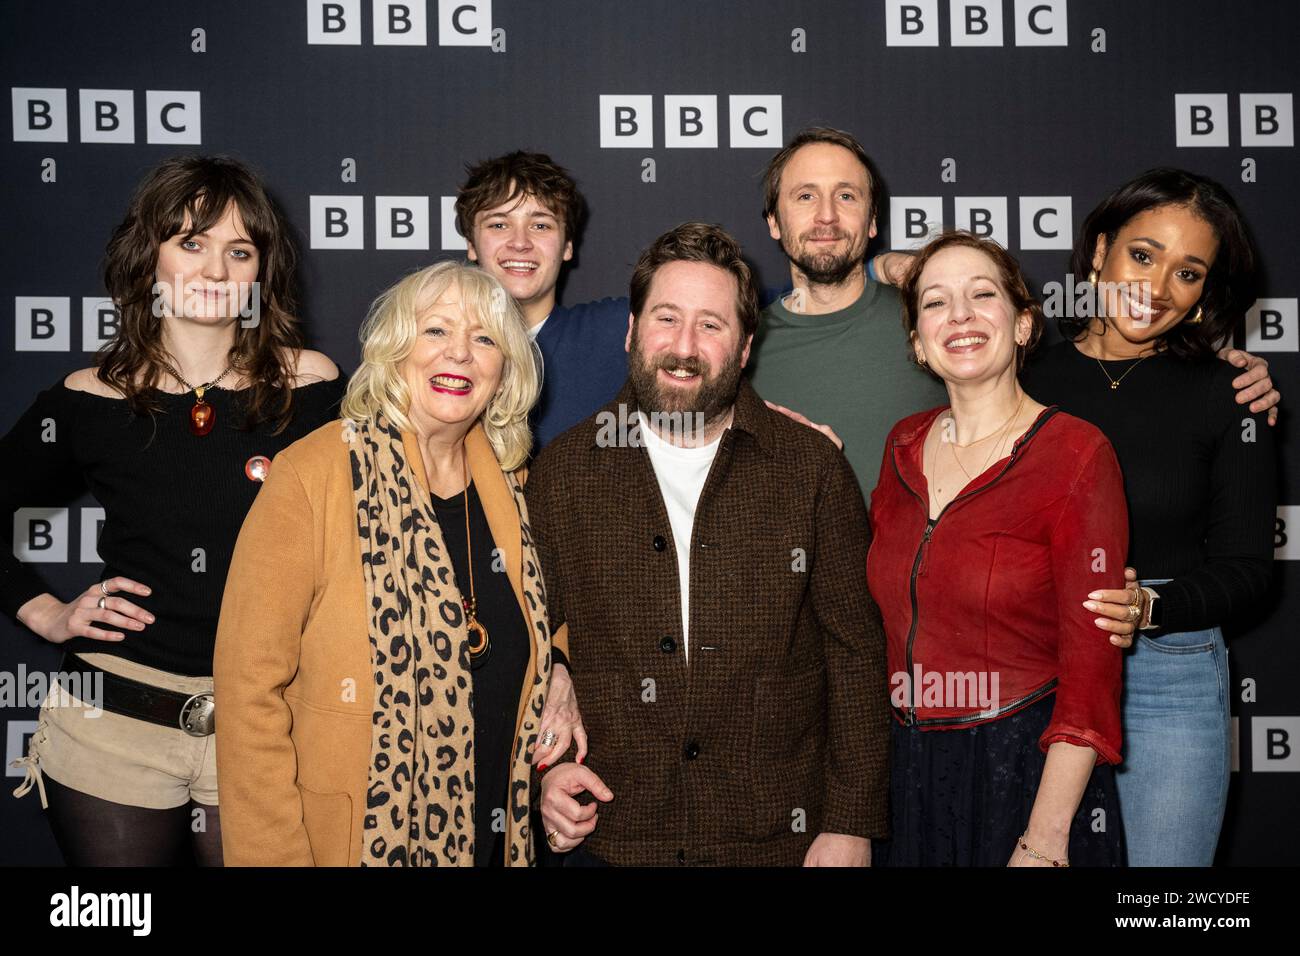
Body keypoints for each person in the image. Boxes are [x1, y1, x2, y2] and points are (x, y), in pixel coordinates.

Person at [5, 155, 345, 866]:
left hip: (268, 725)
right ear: (148, 256)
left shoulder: (313, 389)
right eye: (191, 241)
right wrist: (44, 612)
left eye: (239, 250)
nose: (216, 270)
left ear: (261, 272)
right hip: (111, 725)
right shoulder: (89, 400)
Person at [527, 222, 890, 867]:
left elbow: (856, 655)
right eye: (666, 319)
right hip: (616, 836)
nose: (684, 346)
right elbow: (532, 645)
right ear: (632, 331)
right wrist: (544, 777)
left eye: (712, 325)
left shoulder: (810, 468)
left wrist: (851, 822)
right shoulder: (564, 472)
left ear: (746, 346)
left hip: (782, 838)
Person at [213, 261, 580, 866]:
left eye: (484, 338)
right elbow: (249, 692)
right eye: (436, 330)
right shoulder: (313, 476)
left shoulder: (514, 487)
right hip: (351, 843)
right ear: (393, 349)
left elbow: (543, 615)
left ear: (505, 368)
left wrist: (560, 671)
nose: (459, 354)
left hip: (497, 838)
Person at [749, 128, 1281, 497]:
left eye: (846, 196)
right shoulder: (740, 346)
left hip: (928, 614)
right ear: (773, 221)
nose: (825, 215)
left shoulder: (938, 320)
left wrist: (1211, 367)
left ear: (872, 221)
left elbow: (1090, 376)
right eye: (804, 197)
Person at [1018, 169, 1278, 866]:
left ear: (1205, 293)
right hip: (1030, 666)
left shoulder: (1232, 395)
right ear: (1099, 250)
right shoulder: (1021, 377)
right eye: (1143, 254)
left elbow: (1250, 570)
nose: (1158, 288)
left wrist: (1150, 609)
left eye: (1188, 272)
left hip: (1167, 678)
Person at [868, 231, 1129, 867]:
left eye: (982, 295)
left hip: (1024, 770)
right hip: (908, 771)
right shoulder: (902, 446)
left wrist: (1042, 841)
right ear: (917, 343)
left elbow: (1092, 675)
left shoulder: (1077, 452)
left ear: (1022, 326)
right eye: (934, 302)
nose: (959, 315)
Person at [455, 150, 627, 449]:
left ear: (567, 246)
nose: (520, 243)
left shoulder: (619, 331)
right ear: (471, 244)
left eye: (540, 225)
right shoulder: (436, 351)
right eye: (498, 224)